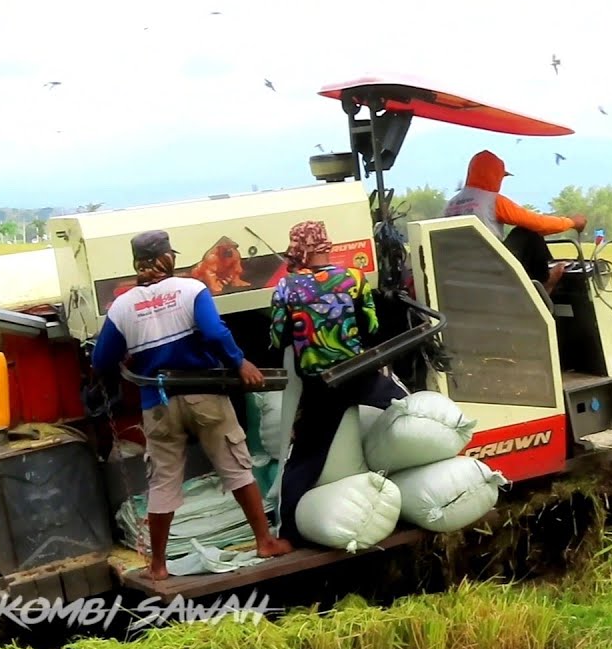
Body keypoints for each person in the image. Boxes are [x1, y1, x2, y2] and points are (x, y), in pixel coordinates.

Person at [91, 230, 293, 580]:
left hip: (158, 402)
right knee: (235, 464)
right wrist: (239, 362)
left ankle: (157, 565)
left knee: (163, 481)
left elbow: (101, 360)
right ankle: (264, 541)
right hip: (204, 394)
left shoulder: (121, 306)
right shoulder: (191, 290)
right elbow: (215, 334)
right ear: (166, 258)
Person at [269, 220, 408, 544]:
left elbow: (278, 339)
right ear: (326, 245)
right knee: (408, 410)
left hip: (319, 386)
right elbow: (372, 327)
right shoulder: (353, 279)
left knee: (305, 459)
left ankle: (287, 533)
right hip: (359, 373)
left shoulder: (287, 287)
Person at [444, 150, 587, 283]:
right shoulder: (492, 200)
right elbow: (539, 224)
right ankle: (546, 282)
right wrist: (571, 222)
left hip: (458, 270)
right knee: (528, 232)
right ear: (494, 176)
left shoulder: (450, 204)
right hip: (491, 269)